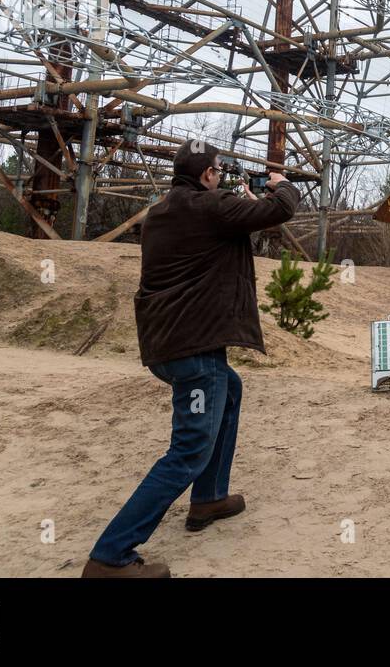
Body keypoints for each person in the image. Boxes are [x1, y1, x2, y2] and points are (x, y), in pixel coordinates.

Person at [82, 139, 300, 578]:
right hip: (193, 350)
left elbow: (217, 236)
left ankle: (208, 499)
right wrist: (281, 184)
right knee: (187, 451)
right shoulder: (212, 206)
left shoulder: (162, 212)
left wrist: (241, 205)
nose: (220, 176)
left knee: (230, 389)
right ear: (206, 175)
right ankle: (110, 557)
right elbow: (281, 209)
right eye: (218, 170)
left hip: (166, 344)